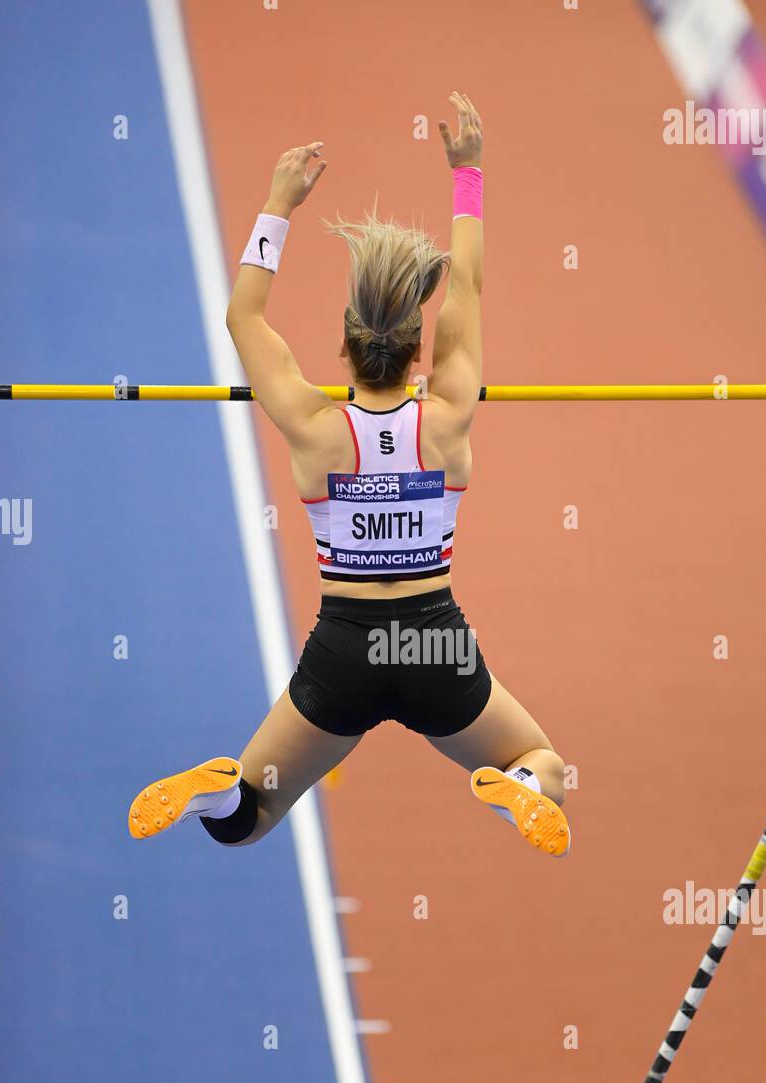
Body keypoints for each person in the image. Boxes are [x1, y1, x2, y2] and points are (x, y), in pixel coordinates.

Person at [129, 93, 570, 859]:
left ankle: (223, 790)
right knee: (546, 764)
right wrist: (468, 174)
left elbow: (244, 320)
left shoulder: (314, 427)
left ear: (345, 346)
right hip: (435, 647)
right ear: (415, 349)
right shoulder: (447, 417)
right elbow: (464, 289)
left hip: (345, 652)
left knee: (252, 816)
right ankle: (520, 794)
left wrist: (278, 204)